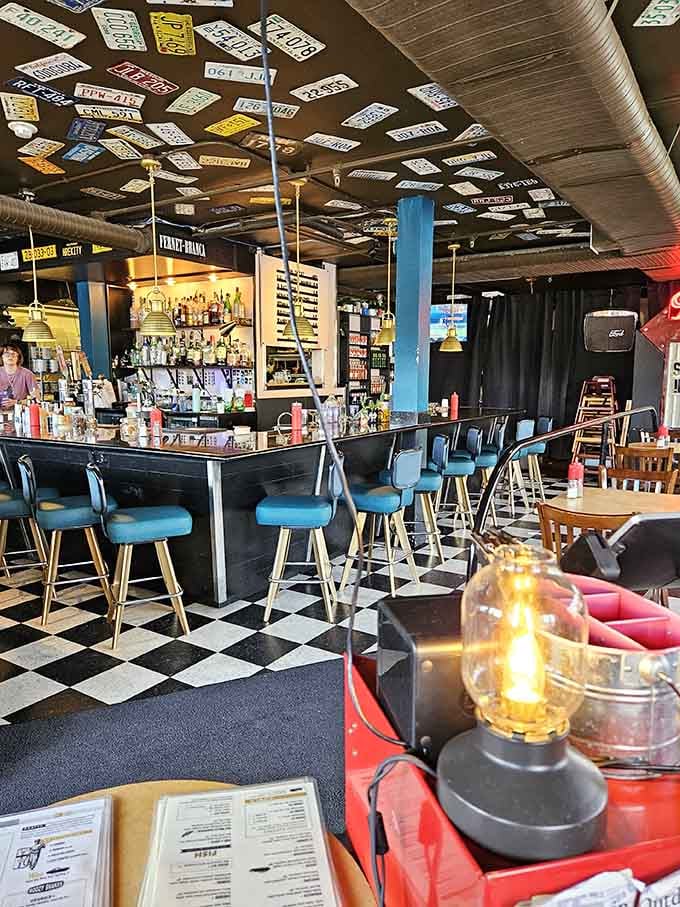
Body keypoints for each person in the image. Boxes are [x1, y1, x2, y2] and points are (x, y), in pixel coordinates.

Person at [0, 344, 38, 409]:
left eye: (13, 354)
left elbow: (36, 399)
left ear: (18, 357)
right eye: (7, 354)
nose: (10, 357)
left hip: (21, 413)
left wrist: (17, 402)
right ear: (1, 357)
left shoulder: (27, 374)